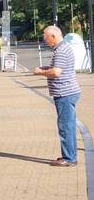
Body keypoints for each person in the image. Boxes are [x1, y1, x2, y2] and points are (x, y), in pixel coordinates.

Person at [34, 25, 80, 166]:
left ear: (53, 36)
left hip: (64, 93)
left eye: (46, 37)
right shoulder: (63, 48)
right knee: (68, 125)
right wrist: (46, 68)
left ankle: (69, 159)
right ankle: (68, 155)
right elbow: (56, 69)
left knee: (65, 126)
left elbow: (56, 72)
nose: (45, 40)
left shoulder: (60, 51)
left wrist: (40, 72)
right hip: (67, 92)